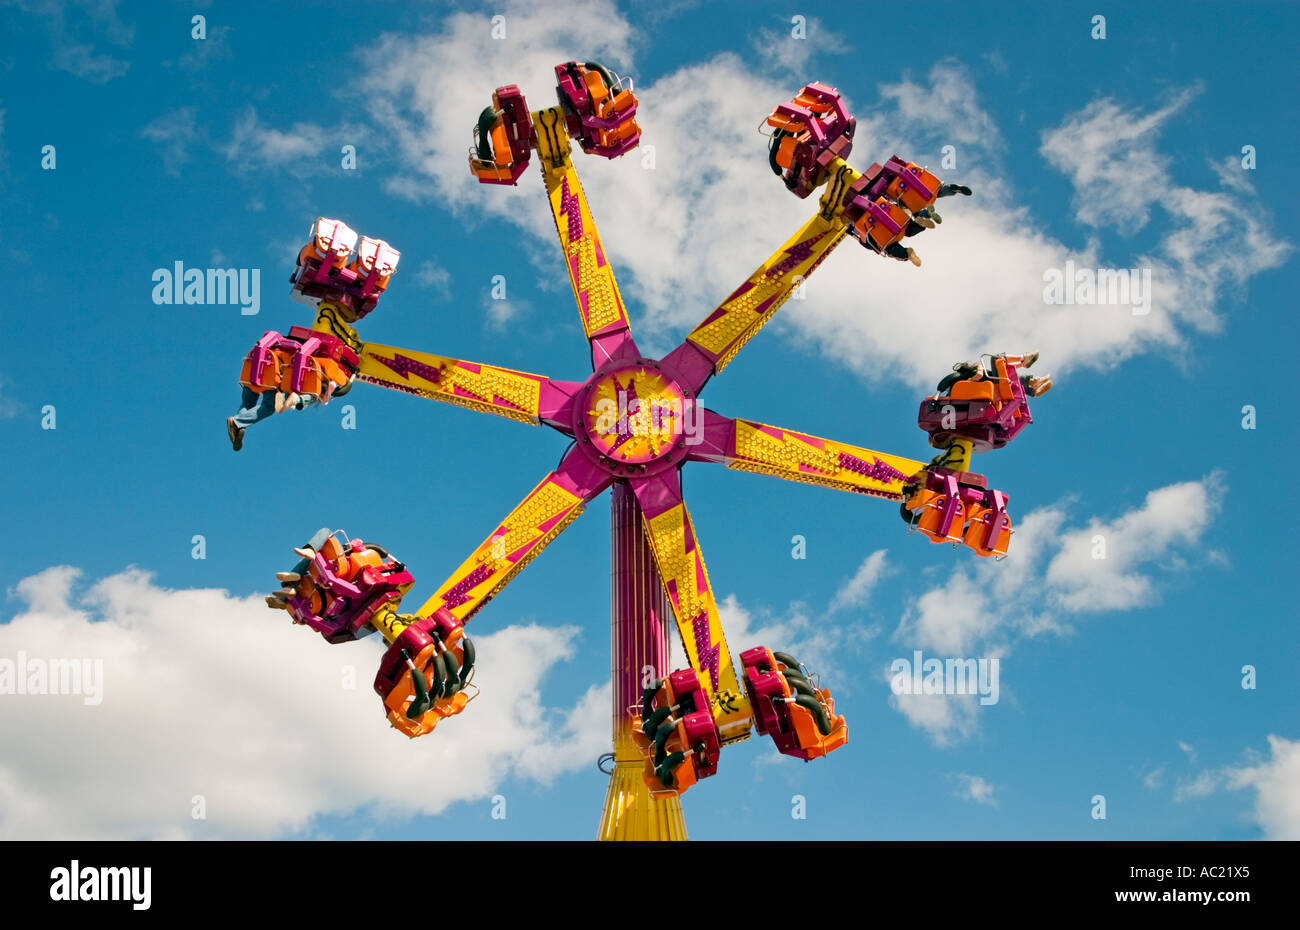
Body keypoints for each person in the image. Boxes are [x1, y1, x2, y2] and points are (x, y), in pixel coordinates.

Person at [227, 389, 319, 452]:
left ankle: (238, 426)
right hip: (270, 373)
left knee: (247, 402)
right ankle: (237, 422)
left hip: (249, 369)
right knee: (269, 407)